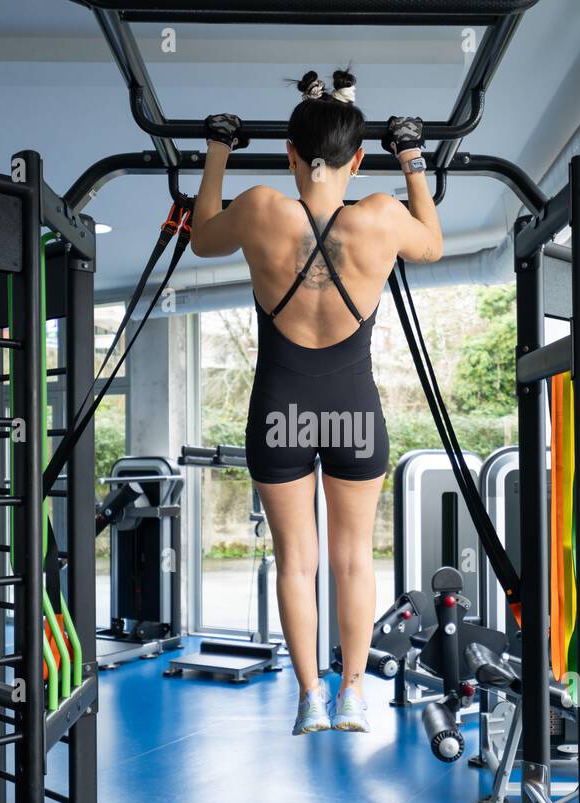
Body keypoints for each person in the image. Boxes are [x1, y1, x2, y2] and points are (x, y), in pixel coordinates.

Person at [190, 69, 443, 734]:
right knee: (354, 558)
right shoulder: (384, 217)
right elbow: (434, 245)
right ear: (358, 159)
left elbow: (200, 233)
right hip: (354, 409)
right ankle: (353, 694)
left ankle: (309, 695)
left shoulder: (261, 207)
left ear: (291, 155)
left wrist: (219, 148)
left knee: (295, 559)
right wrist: (412, 159)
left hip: (280, 408)